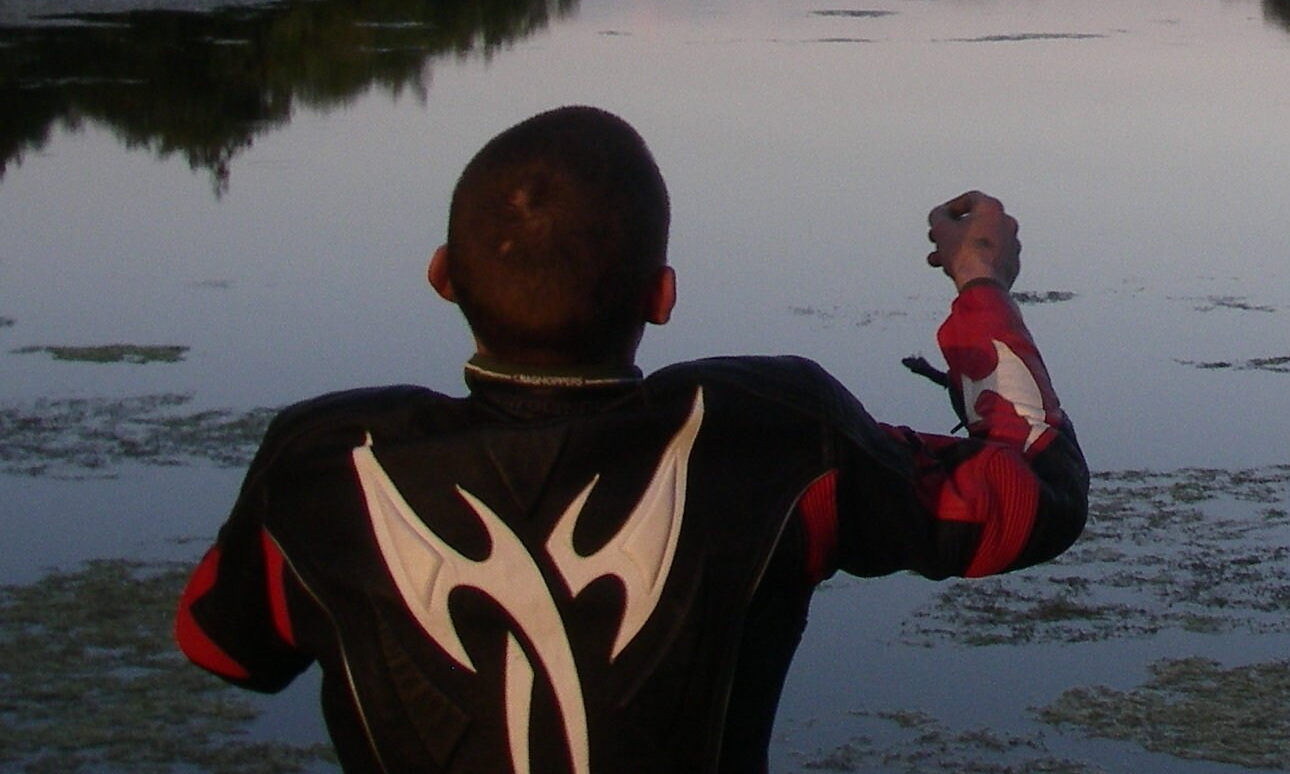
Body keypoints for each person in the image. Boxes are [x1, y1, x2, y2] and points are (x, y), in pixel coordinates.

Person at [174, 104, 1086, 774]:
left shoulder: (324, 464)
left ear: (443, 277)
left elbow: (223, 645)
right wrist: (980, 283)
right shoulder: (770, 433)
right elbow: (1033, 493)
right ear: (662, 296)